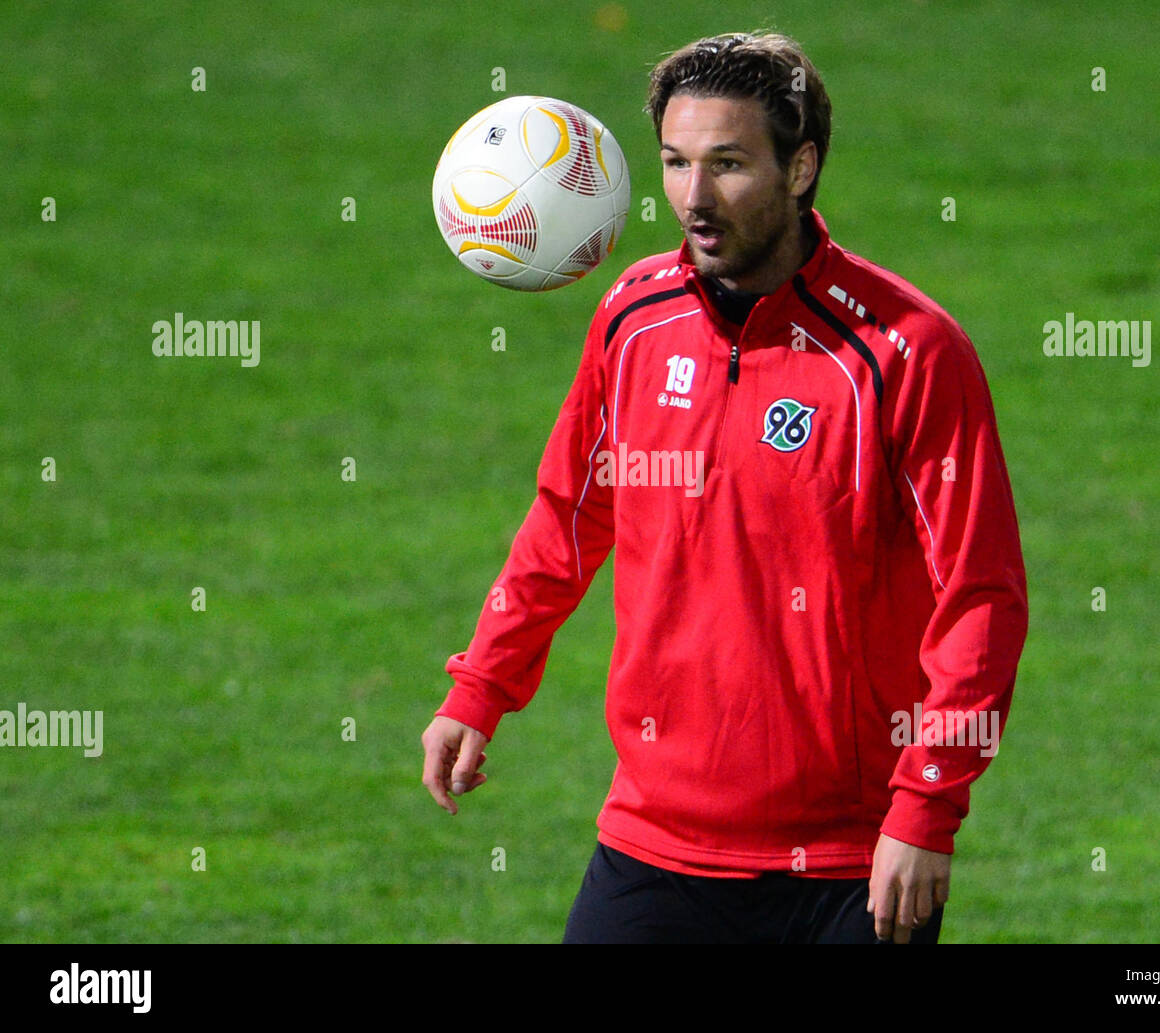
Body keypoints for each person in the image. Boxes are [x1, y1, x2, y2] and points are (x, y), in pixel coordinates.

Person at [422, 30, 1028, 944]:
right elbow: (570, 516)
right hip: (654, 841)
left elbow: (980, 596)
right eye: (673, 162)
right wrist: (480, 686)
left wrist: (928, 806)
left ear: (801, 167)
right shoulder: (634, 316)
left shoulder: (905, 353)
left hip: (848, 860)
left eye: (729, 165)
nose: (693, 199)